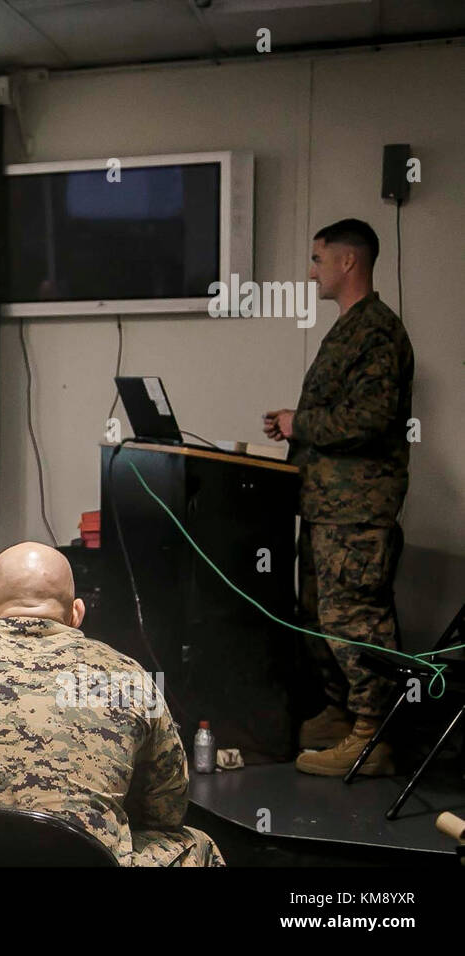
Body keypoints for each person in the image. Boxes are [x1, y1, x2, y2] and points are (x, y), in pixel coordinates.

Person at [0, 542, 224, 867]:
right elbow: (166, 809)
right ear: (77, 613)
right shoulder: (127, 677)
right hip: (81, 862)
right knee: (195, 845)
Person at [263, 218, 414, 777]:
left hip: (356, 511)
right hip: (326, 507)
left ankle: (373, 735)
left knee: (354, 618)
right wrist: (295, 424)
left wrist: (300, 421)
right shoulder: (348, 329)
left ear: (349, 262)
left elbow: (371, 419)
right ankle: (340, 714)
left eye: (319, 259)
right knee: (319, 616)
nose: (312, 270)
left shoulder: (377, 331)